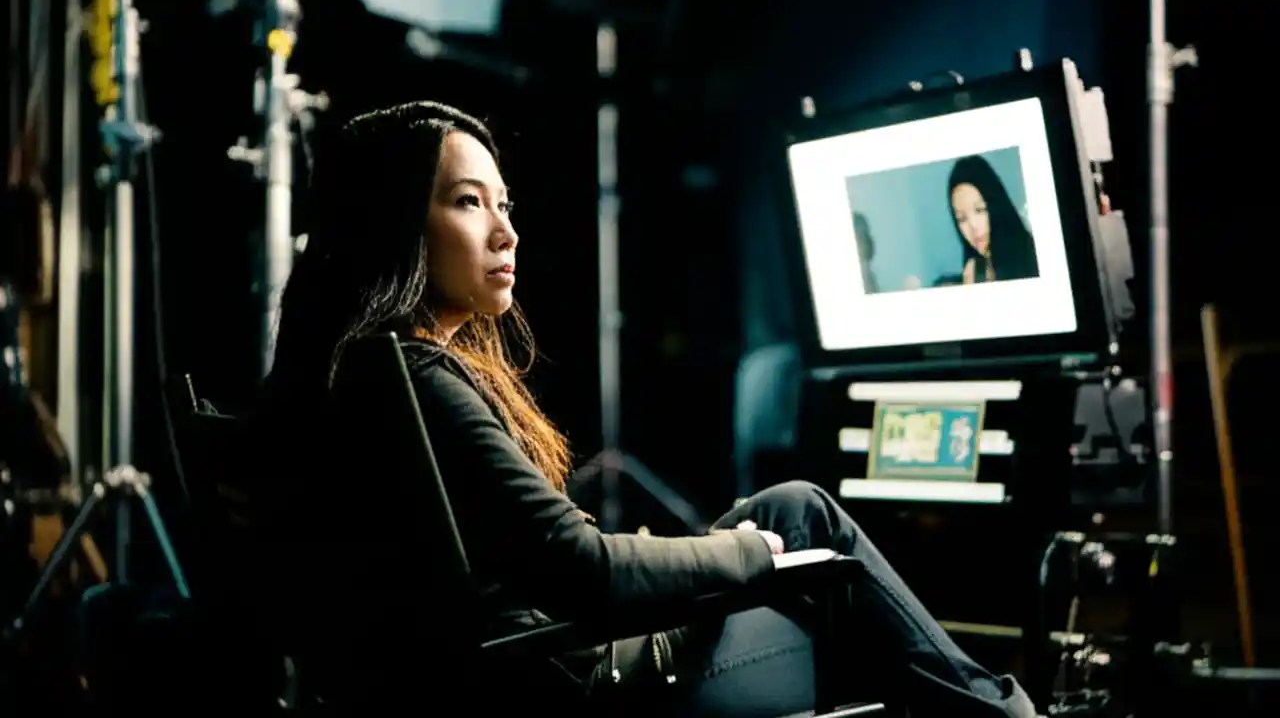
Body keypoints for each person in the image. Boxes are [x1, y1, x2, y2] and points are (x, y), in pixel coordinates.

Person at [251, 101, 1037, 717]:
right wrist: (748, 557)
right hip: (576, 685)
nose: (506, 231)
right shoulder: (416, 379)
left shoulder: (349, 378)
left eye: (505, 203)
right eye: (468, 202)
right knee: (816, 551)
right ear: (395, 225)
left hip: (513, 669)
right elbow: (586, 571)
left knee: (796, 508)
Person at [947, 155, 1040, 285]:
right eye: (961, 219)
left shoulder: (1034, 256)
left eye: (980, 210)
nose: (972, 225)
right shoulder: (973, 271)